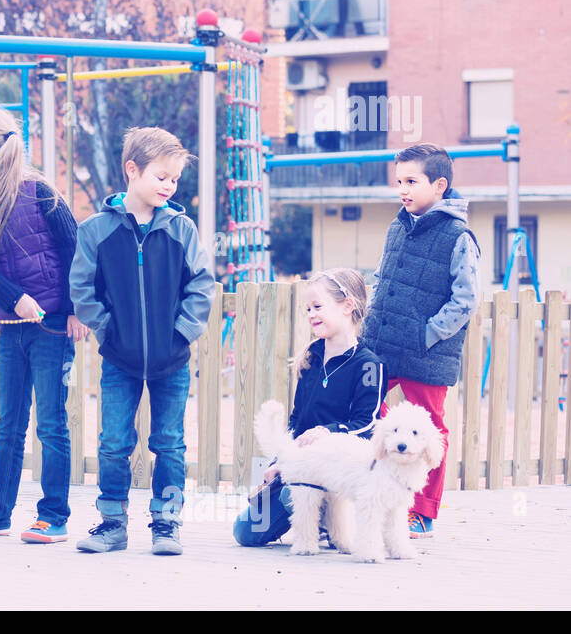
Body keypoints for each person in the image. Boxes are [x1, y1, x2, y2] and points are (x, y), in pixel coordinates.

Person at [0, 108, 88, 544]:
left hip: (52, 329)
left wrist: (77, 310)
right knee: (8, 425)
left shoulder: (41, 193)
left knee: (51, 424)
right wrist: (14, 299)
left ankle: (53, 516)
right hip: (11, 327)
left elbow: (76, 250)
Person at [69, 127, 213, 555]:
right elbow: (82, 287)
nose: (169, 186)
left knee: (168, 443)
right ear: (132, 170)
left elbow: (202, 286)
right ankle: (112, 523)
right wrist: (107, 329)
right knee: (114, 442)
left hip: (172, 360)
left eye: (174, 179)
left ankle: (166, 524)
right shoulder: (96, 230)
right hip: (119, 358)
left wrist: (182, 333)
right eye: (162, 176)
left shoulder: (181, 229)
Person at [362, 143, 479, 538]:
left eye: (412, 181)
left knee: (428, 432)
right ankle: (365, 496)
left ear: (440, 185)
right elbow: (382, 279)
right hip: (382, 344)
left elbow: (465, 299)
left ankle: (422, 512)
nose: (403, 190)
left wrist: (426, 334)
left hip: (425, 353)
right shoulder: (397, 226)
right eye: (400, 182)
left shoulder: (458, 236)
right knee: (364, 416)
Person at [233, 268, 386, 547]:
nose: (311, 314)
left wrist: (327, 432)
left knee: (293, 497)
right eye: (307, 308)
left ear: (347, 306)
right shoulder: (311, 359)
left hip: (342, 470)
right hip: (301, 466)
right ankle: (315, 519)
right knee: (244, 532)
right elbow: (296, 421)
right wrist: (278, 462)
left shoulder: (368, 365)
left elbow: (366, 425)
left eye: (318, 306)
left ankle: (332, 517)